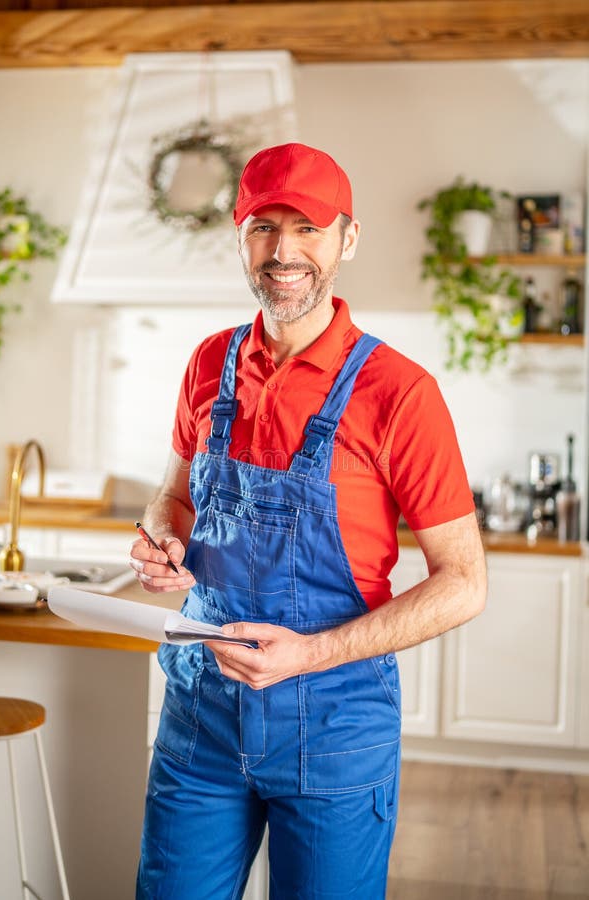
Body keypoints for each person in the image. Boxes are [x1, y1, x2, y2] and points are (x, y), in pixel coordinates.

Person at [131, 142, 487, 899]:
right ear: (239, 235)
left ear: (346, 240)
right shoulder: (206, 364)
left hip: (332, 726)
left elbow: (464, 584)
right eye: (264, 227)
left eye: (308, 229)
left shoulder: (400, 393)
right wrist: (164, 539)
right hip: (203, 715)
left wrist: (312, 654)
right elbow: (174, 497)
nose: (283, 251)